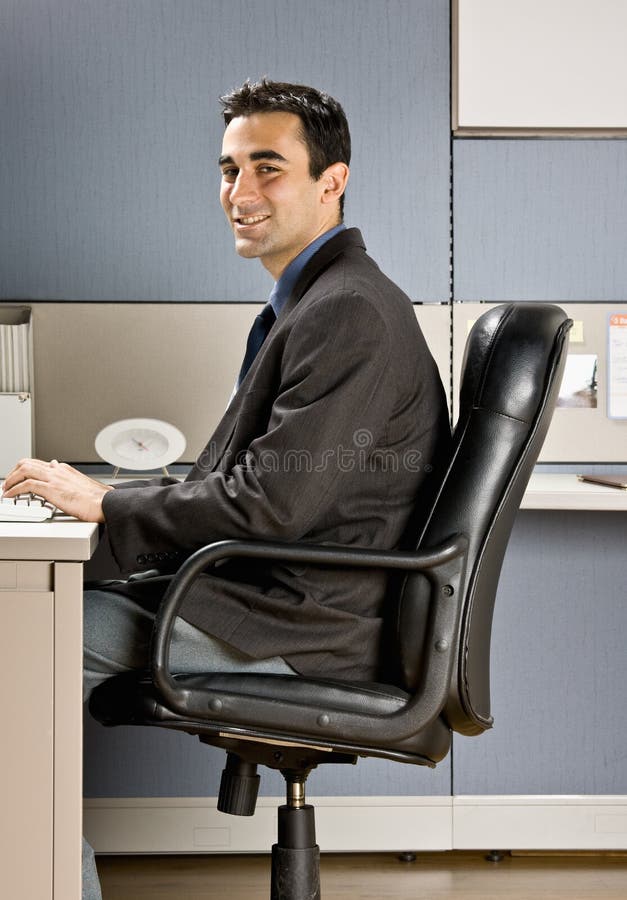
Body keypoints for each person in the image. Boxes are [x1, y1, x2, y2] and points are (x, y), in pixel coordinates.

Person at [2, 79, 451, 898]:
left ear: (332, 180)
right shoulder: (317, 301)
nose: (240, 192)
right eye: (228, 168)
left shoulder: (347, 312)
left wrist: (109, 504)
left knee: (18, 640)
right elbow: (262, 482)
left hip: (296, 622)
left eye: (267, 168)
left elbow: (269, 504)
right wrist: (117, 499)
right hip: (273, 597)